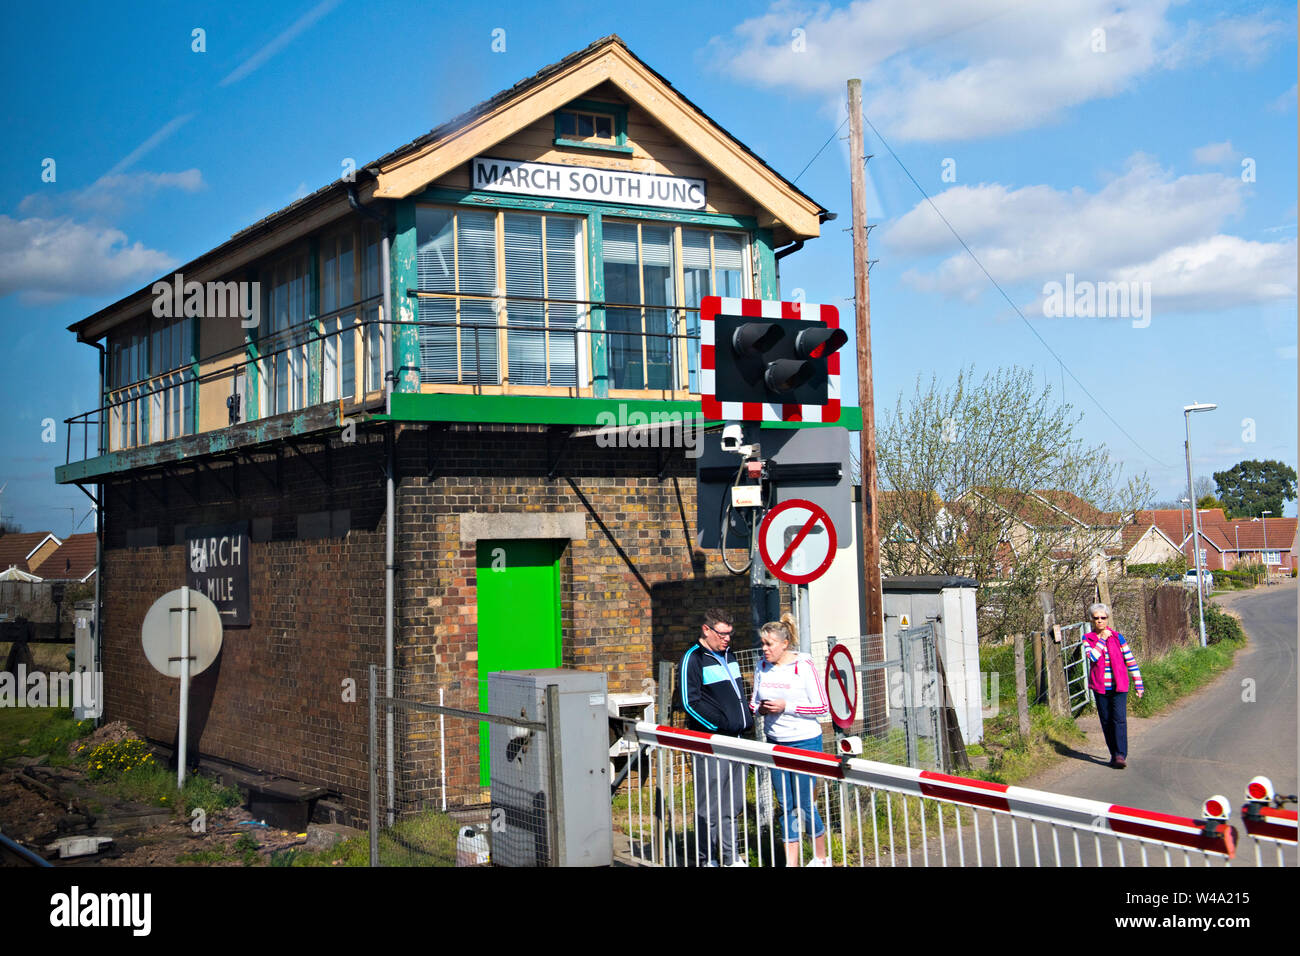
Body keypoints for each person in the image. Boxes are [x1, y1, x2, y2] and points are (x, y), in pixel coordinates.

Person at [750, 614, 831, 866]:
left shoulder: (802, 666)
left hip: (805, 741)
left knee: (805, 803)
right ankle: (791, 862)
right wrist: (760, 709)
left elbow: (822, 707)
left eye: (769, 644)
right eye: (762, 644)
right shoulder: (761, 667)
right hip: (776, 742)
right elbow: (753, 702)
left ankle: (821, 857)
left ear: (784, 644)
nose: (764, 649)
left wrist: (787, 706)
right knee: (785, 803)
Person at [679, 607, 754, 866]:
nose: (727, 639)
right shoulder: (693, 658)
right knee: (708, 806)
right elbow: (690, 703)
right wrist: (720, 726)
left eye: (730, 634)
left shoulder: (729, 655)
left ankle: (730, 856)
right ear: (706, 630)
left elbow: (735, 693)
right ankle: (706, 859)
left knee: (732, 805)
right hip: (711, 744)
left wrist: (745, 716)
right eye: (722, 634)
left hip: (738, 741)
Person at [1083, 603, 1144, 769]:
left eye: (1103, 618)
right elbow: (1093, 657)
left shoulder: (1118, 637)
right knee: (1106, 721)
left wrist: (1138, 683)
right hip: (1100, 687)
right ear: (1091, 620)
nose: (1100, 621)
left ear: (1108, 619)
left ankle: (1120, 755)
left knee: (1119, 720)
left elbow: (1130, 661)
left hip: (1119, 686)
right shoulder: (1088, 639)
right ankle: (1113, 753)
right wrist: (1102, 639)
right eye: (1096, 618)